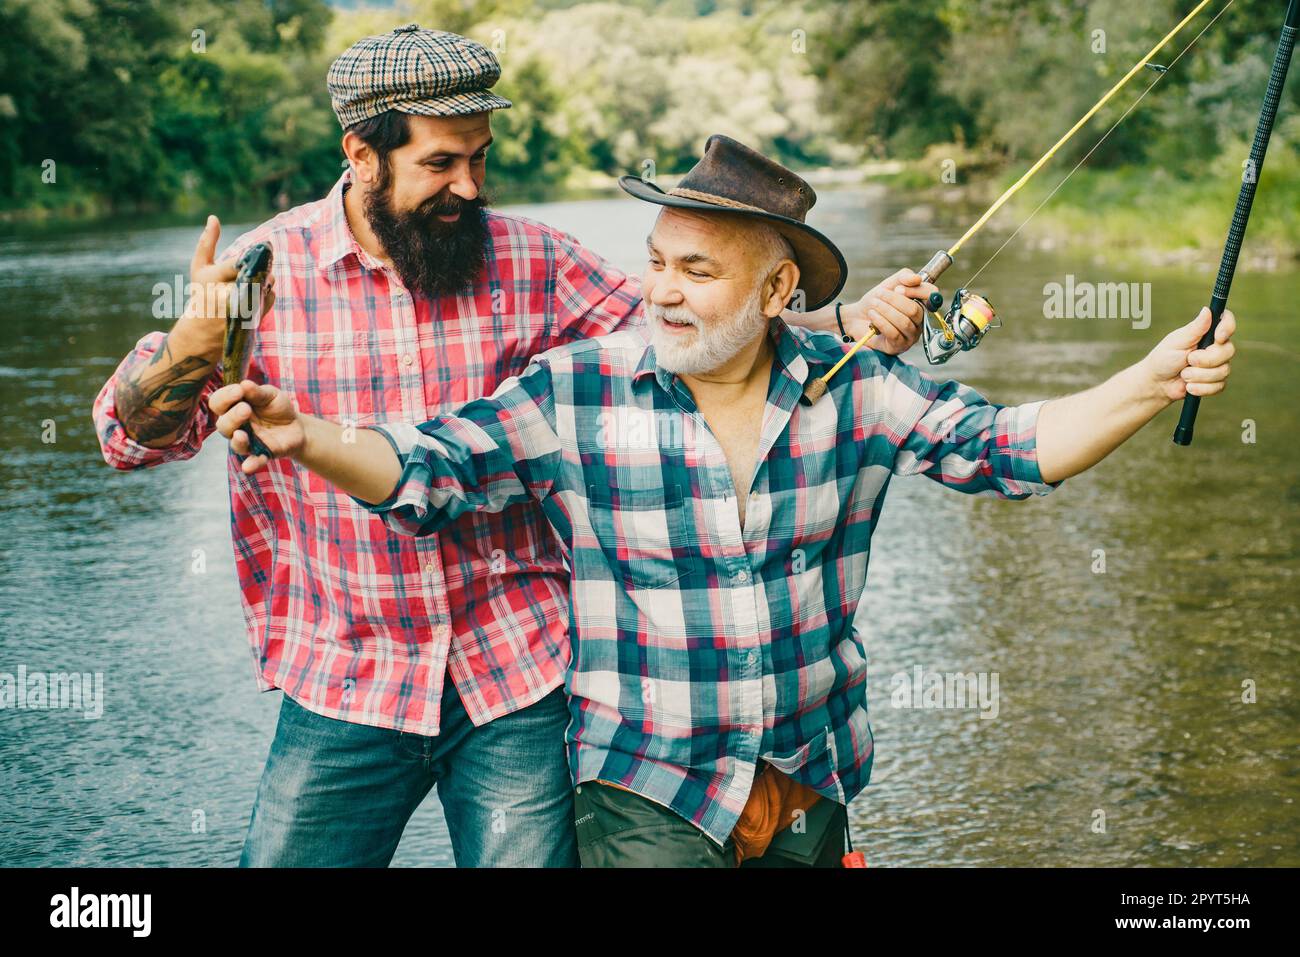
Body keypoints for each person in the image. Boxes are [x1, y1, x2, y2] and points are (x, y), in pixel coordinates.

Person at [206, 134, 1238, 867]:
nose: (659, 291)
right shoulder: (578, 388)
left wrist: (1149, 380)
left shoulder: (860, 390)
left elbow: (1008, 449)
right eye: (655, 264)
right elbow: (426, 468)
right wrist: (308, 440)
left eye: (696, 272)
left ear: (777, 294)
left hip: (808, 782)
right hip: (643, 786)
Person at [91, 26, 928, 867]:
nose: (468, 185)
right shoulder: (259, 274)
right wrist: (193, 347)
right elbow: (127, 440)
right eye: (441, 163)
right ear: (362, 153)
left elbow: (698, 339)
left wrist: (848, 325)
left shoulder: (535, 261)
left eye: (480, 158)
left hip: (518, 671)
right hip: (346, 672)